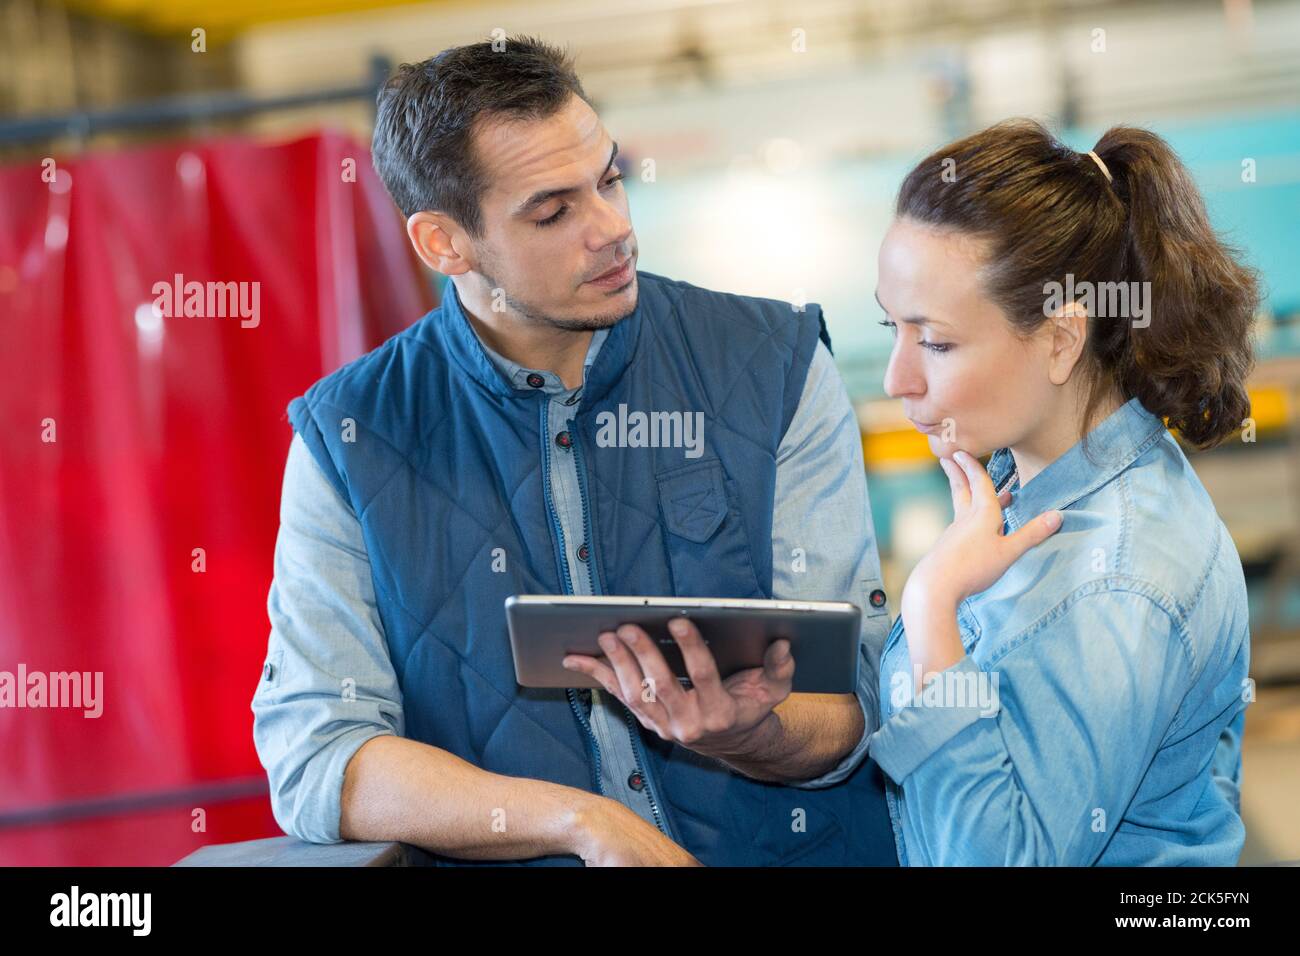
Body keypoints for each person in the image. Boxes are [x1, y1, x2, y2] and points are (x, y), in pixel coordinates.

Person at [251, 36, 898, 866]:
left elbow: (864, 690)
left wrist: (758, 731)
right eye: (553, 212)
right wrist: (579, 823)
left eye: (610, 179)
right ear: (444, 243)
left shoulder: (773, 362)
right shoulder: (350, 438)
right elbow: (319, 755)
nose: (614, 229)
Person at [867, 118, 1256, 865]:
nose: (896, 379)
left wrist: (931, 608)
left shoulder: (1119, 578)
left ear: (1059, 339)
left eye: (936, 342)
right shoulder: (1028, 482)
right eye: (892, 328)